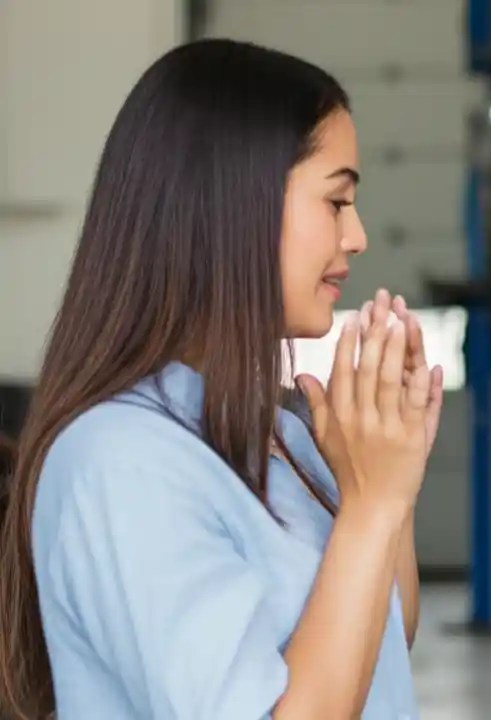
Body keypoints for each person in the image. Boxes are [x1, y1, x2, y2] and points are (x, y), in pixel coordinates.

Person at [0, 40, 444, 719]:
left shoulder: (281, 432)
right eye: (336, 201)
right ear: (236, 204)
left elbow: (382, 641)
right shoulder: (123, 462)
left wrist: (390, 476)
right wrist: (371, 504)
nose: (356, 236)